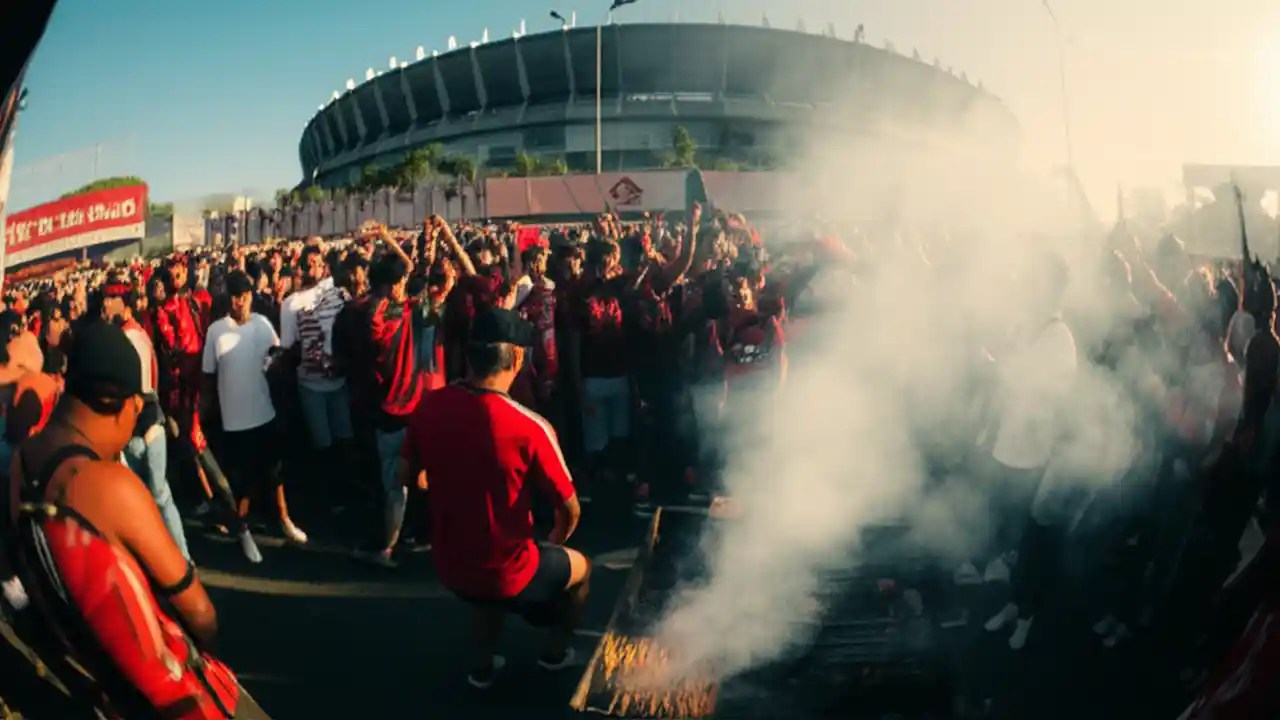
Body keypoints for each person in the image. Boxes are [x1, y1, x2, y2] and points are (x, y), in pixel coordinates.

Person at [7, 320, 271, 718]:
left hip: (100, 685)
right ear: (124, 405)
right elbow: (198, 610)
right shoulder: (111, 486)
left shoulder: (22, 462)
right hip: (172, 696)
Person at [398, 308, 588, 689]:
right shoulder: (530, 426)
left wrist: (442, 478)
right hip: (507, 567)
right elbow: (569, 509)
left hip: (451, 561)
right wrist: (552, 542)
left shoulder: (430, 406)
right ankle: (556, 654)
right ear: (516, 358)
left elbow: (406, 475)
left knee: (483, 595)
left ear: (469, 356)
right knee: (581, 571)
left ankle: (482, 667)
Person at [204, 271, 306, 546]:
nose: (241, 302)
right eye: (236, 297)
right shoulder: (215, 331)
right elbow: (209, 376)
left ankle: (284, 520)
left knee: (274, 473)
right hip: (233, 420)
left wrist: (277, 362)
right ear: (228, 299)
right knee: (242, 480)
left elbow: (278, 357)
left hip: (264, 412)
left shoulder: (263, 324)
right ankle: (242, 526)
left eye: (245, 296)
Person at [102, 278, 189, 559]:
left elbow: (140, 392)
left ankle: (181, 559)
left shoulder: (131, 338)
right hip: (139, 430)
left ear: (123, 305)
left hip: (144, 428)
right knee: (151, 499)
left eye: (110, 298)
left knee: (158, 497)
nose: (104, 304)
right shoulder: (126, 334)